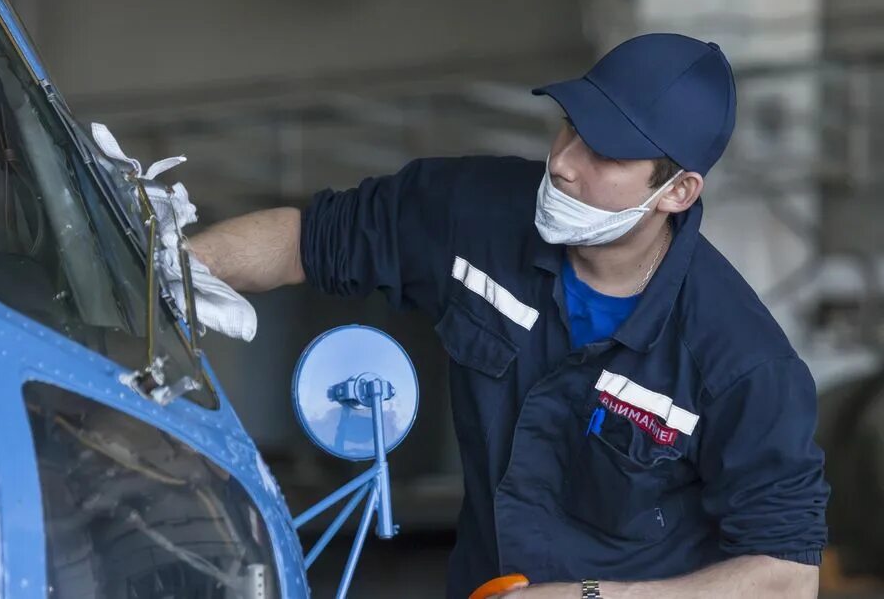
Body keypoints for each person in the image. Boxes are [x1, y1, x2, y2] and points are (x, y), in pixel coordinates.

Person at [190, 33, 829, 599]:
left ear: (678, 191)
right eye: (570, 126)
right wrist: (169, 264)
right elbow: (312, 239)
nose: (564, 162)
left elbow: (785, 575)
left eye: (605, 153)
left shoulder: (741, 362)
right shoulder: (477, 214)